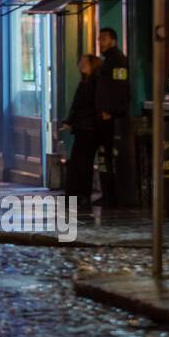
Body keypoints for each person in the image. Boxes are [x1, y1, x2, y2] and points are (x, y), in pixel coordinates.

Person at [94, 27, 130, 207]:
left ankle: (112, 195)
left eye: (103, 39)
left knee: (109, 155)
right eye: (99, 39)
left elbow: (120, 88)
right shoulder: (107, 61)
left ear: (113, 40)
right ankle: (107, 194)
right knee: (104, 156)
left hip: (111, 118)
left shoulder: (117, 61)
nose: (100, 42)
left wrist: (111, 110)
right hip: (105, 116)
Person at [63, 54, 102, 208]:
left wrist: (72, 120)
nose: (81, 64)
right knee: (79, 161)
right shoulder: (85, 82)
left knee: (83, 162)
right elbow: (76, 104)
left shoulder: (93, 83)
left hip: (89, 128)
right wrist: (70, 121)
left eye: (84, 62)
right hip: (83, 127)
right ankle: (76, 193)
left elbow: (84, 105)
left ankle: (81, 193)